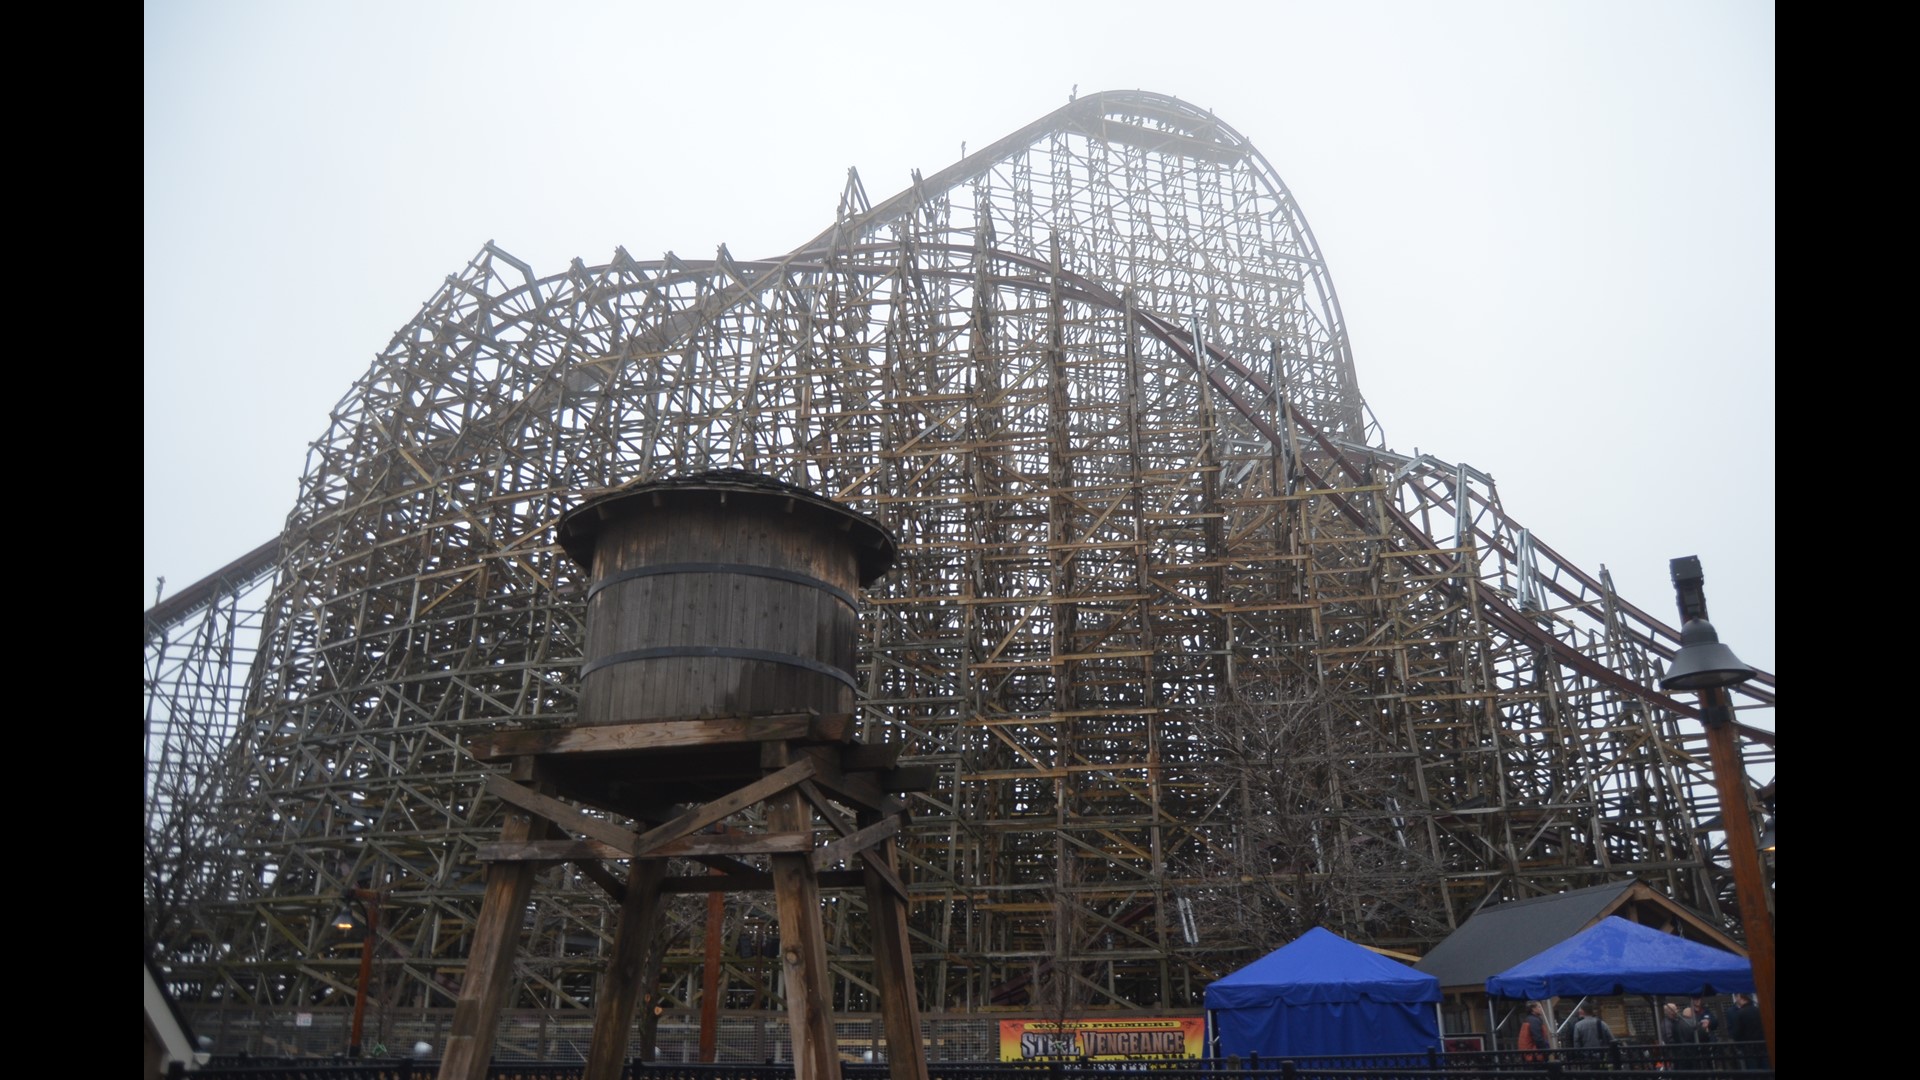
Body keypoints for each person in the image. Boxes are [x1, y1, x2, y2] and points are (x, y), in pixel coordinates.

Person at [1724, 992, 1764, 1069]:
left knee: (1753, 1069)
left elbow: (1736, 1032)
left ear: (1741, 998)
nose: (1736, 998)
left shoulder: (1739, 1014)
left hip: (1748, 1046)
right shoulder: (1758, 1010)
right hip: (1762, 1044)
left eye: (1737, 996)